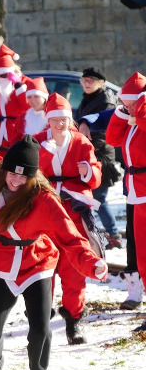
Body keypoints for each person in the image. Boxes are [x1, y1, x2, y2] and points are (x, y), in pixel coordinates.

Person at [0, 136, 107, 370]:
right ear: (5, 169)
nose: (16, 181)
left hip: (36, 263)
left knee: (41, 328)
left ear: (33, 176)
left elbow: (70, 238)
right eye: (12, 174)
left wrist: (92, 263)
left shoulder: (44, 200)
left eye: (24, 177)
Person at [35, 94, 102, 344]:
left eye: (64, 120)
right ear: (48, 121)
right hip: (46, 210)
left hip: (74, 210)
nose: (60, 124)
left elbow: (96, 173)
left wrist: (89, 173)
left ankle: (75, 320)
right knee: (43, 265)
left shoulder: (81, 142)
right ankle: (40, 317)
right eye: (55, 120)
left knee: (75, 267)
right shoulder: (37, 142)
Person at [107, 73, 146, 314]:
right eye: (125, 104)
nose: (128, 108)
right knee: (141, 253)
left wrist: (139, 106)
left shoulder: (141, 118)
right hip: (135, 191)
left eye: (131, 104)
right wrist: (123, 113)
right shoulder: (133, 121)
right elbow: (112, 138)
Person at [75, 67, 121, 249]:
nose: (87, 84)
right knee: (94, 198)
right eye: (84, 80)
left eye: (91, 81)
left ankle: (114, 235)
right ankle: (106, 234)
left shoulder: (106, 101)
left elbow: (105, 132)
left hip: (101, 155)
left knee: (100, 199)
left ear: (100, 83)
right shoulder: (88, 99)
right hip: (89, 153)